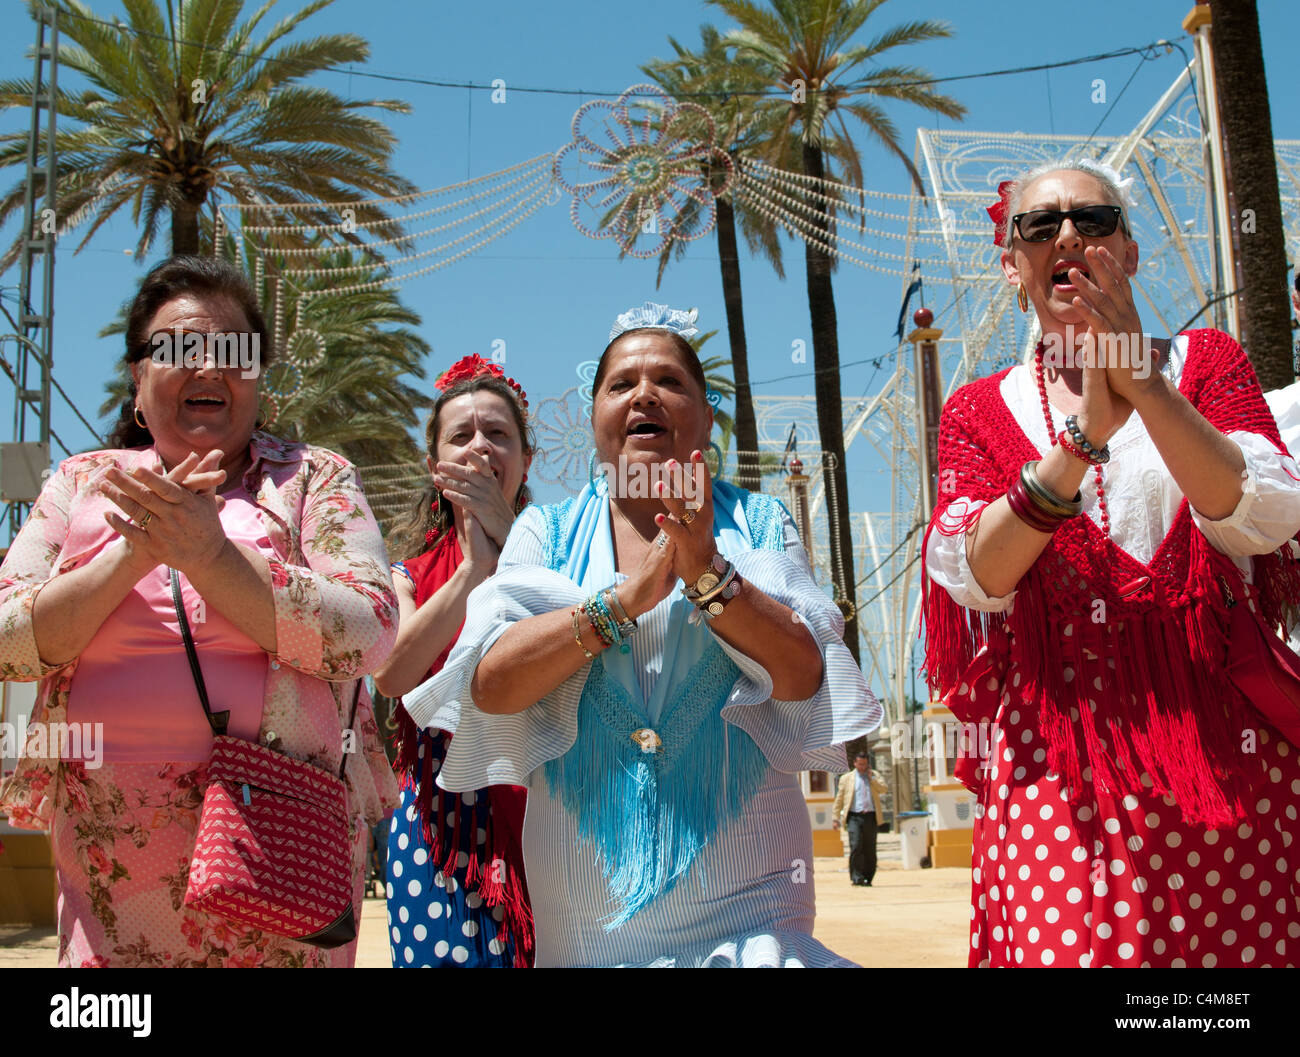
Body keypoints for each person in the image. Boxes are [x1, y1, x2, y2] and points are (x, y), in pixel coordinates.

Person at [404, 302, 879, 967]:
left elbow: (804, 673)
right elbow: (491, 682)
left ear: (706, 418)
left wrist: (710, 574)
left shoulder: (760, 521)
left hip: (751, 918)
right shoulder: (547, 533)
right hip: (588, 935)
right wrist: (624, 601)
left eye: (670, 382)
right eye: (621, 383)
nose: (644, 394)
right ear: (596, 417)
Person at [923, 159, 1300, 968]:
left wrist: (1147, 387)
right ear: (1012, 262)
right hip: (1054, 767)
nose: (1068, 235)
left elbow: (1262, 514)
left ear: (1129, 251)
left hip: (1218, 755)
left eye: (1094, 220)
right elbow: (972, 569)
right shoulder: (979, 410)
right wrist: (1081, 442)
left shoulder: (1209, 363)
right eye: (1040, 224)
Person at [0, 256, 398, 968]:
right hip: (108, 849)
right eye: (180, 348)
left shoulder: (314, 477)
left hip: (278, 846)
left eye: (236, 351)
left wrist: (213, 556)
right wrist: (137, 552)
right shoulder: (79, 483)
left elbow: (368, 629)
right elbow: (7, 641)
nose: (210, 365)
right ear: (137, 379)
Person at [373, 355, 535, 968]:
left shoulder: (565, 555)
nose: (479, 447)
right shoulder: (408, 573)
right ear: (434, 464)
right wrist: (472, 571)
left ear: (525, 459)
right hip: (438, 812)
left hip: (545, 792)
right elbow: (391, 674)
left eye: (497, 433)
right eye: (460, 435)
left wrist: (512, 547)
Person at [832, 751, 887, 886]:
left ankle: (868, 877)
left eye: (865, 764)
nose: (862, 766)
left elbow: (883, 789)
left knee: (870, 848)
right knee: (856, 845)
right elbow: (839, 799)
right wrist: (835, 817)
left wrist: (872, 779)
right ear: (855, 763)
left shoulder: (874, 776)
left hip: (870, 816)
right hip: (854, 817)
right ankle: (857, 877)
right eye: (860, 764)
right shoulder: (847, 778)